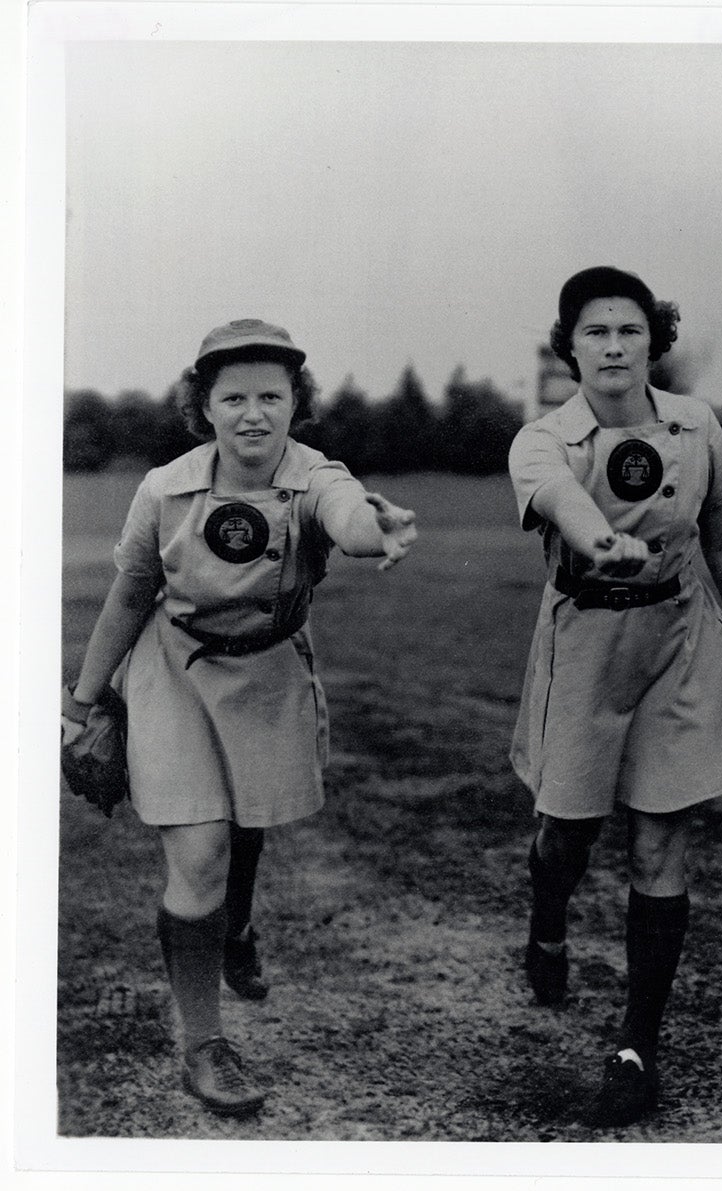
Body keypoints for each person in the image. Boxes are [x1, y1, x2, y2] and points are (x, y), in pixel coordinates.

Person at [61, 319, 418, 1116]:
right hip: (176, 668)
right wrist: (80, 699)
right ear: (206, 406)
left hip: (268, 670)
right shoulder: (165, 487)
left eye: (271, 395)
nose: (253, 412)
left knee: (242, 819)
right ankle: (204, 1044)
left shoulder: (316, 474)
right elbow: (129, 592)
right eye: (234, 397)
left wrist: (375, 529)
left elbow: (347, 513)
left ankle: (237, 927)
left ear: (296, 402)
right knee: (200, 848)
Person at [508, 266, 722, 1128]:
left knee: (663, 837)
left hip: (679, 632)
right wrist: (600, 542)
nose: (615, 346)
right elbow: (559, 502)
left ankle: (636, 1043)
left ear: (652, 340)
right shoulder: (544, 438)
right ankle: (548, 913)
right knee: (567, 834)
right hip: (586, 639)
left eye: (630, 330)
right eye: (596, 331)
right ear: (571, 347)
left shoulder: (696, 424)